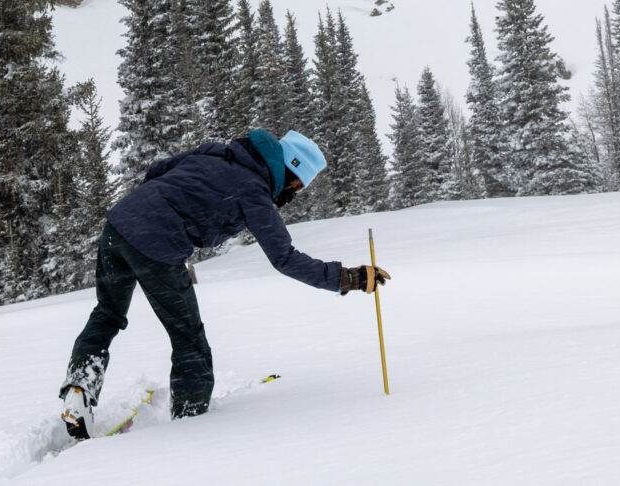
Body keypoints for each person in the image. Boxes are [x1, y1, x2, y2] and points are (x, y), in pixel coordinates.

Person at [58, 128, 390, 437]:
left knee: (108, 313)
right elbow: (284, 258)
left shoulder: (218, 153)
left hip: (118, 226)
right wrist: (348, 278)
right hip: (158, 244)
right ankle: (191, 423)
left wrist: (163, 206)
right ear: (290, 170)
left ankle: (79, 390)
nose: (293, 194)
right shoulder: (254, 191)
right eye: (298, 185)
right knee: (189, 339)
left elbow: (157, 171)